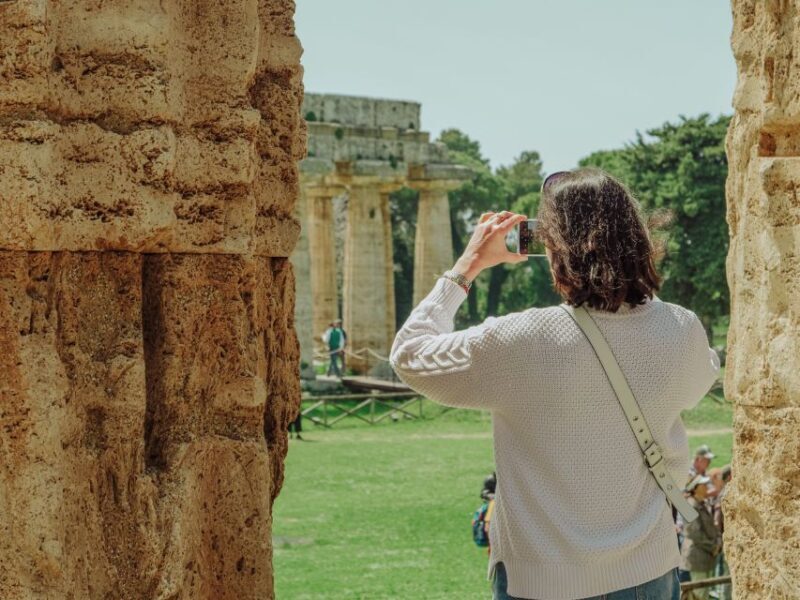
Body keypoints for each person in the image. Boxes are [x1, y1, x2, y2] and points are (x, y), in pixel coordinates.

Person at [389, 167, 721, 600]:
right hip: (649, 573)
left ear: (553, 245)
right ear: (638, 236)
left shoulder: (519, 339)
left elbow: (409, 355)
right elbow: (698, 376)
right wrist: (630, 279)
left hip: (542, 582)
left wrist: (465, 268)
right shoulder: (682, 329)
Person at [680, 475, 722, 600]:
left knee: (702, 593)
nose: (706, 487)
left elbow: (711, 529)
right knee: (699, 595)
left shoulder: (700, 504)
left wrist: (717, 542)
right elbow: (694, 533)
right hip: (697, 557)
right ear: (695, 488)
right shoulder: (691, 506)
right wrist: (713, 546)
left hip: (704, 556)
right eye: (703, 485)